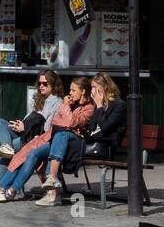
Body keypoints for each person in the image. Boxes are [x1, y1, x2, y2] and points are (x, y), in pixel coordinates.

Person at [0, 77, 94, 203]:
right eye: (39, 83)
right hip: (51, 136)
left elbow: (70, 122)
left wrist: (65, 107)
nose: (70, 93)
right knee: (27, 153)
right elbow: (57, 122)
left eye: (73, 90)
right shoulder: (68, 103)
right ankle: (5, 188)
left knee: (20, 152)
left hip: (66, 141)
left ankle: (2, 188)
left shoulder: (87, 108)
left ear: (82, 91)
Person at [33, 73, 128, 206]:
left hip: (102, 146)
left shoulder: (119, 105)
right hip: (87, 143)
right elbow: (91, 127)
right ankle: (52, 188)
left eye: (94, 87)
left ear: (104, 87)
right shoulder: (97, 105)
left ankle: (53, 190)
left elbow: (105, 128)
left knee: (60, 137)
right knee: (45, 147)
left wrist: (100, 107)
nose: (92, 90)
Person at [0, 71, 64, 197]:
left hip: (36, 138)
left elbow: (46, 129)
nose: (41, 86)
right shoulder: (38, 99)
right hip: (25, 133)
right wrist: (19, 125)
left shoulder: (56, 102)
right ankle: (7, 146)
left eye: (45, 83)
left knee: (5, 155)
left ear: (53, 84)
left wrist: (25, 127)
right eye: (39, 83)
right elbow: (28, 119)